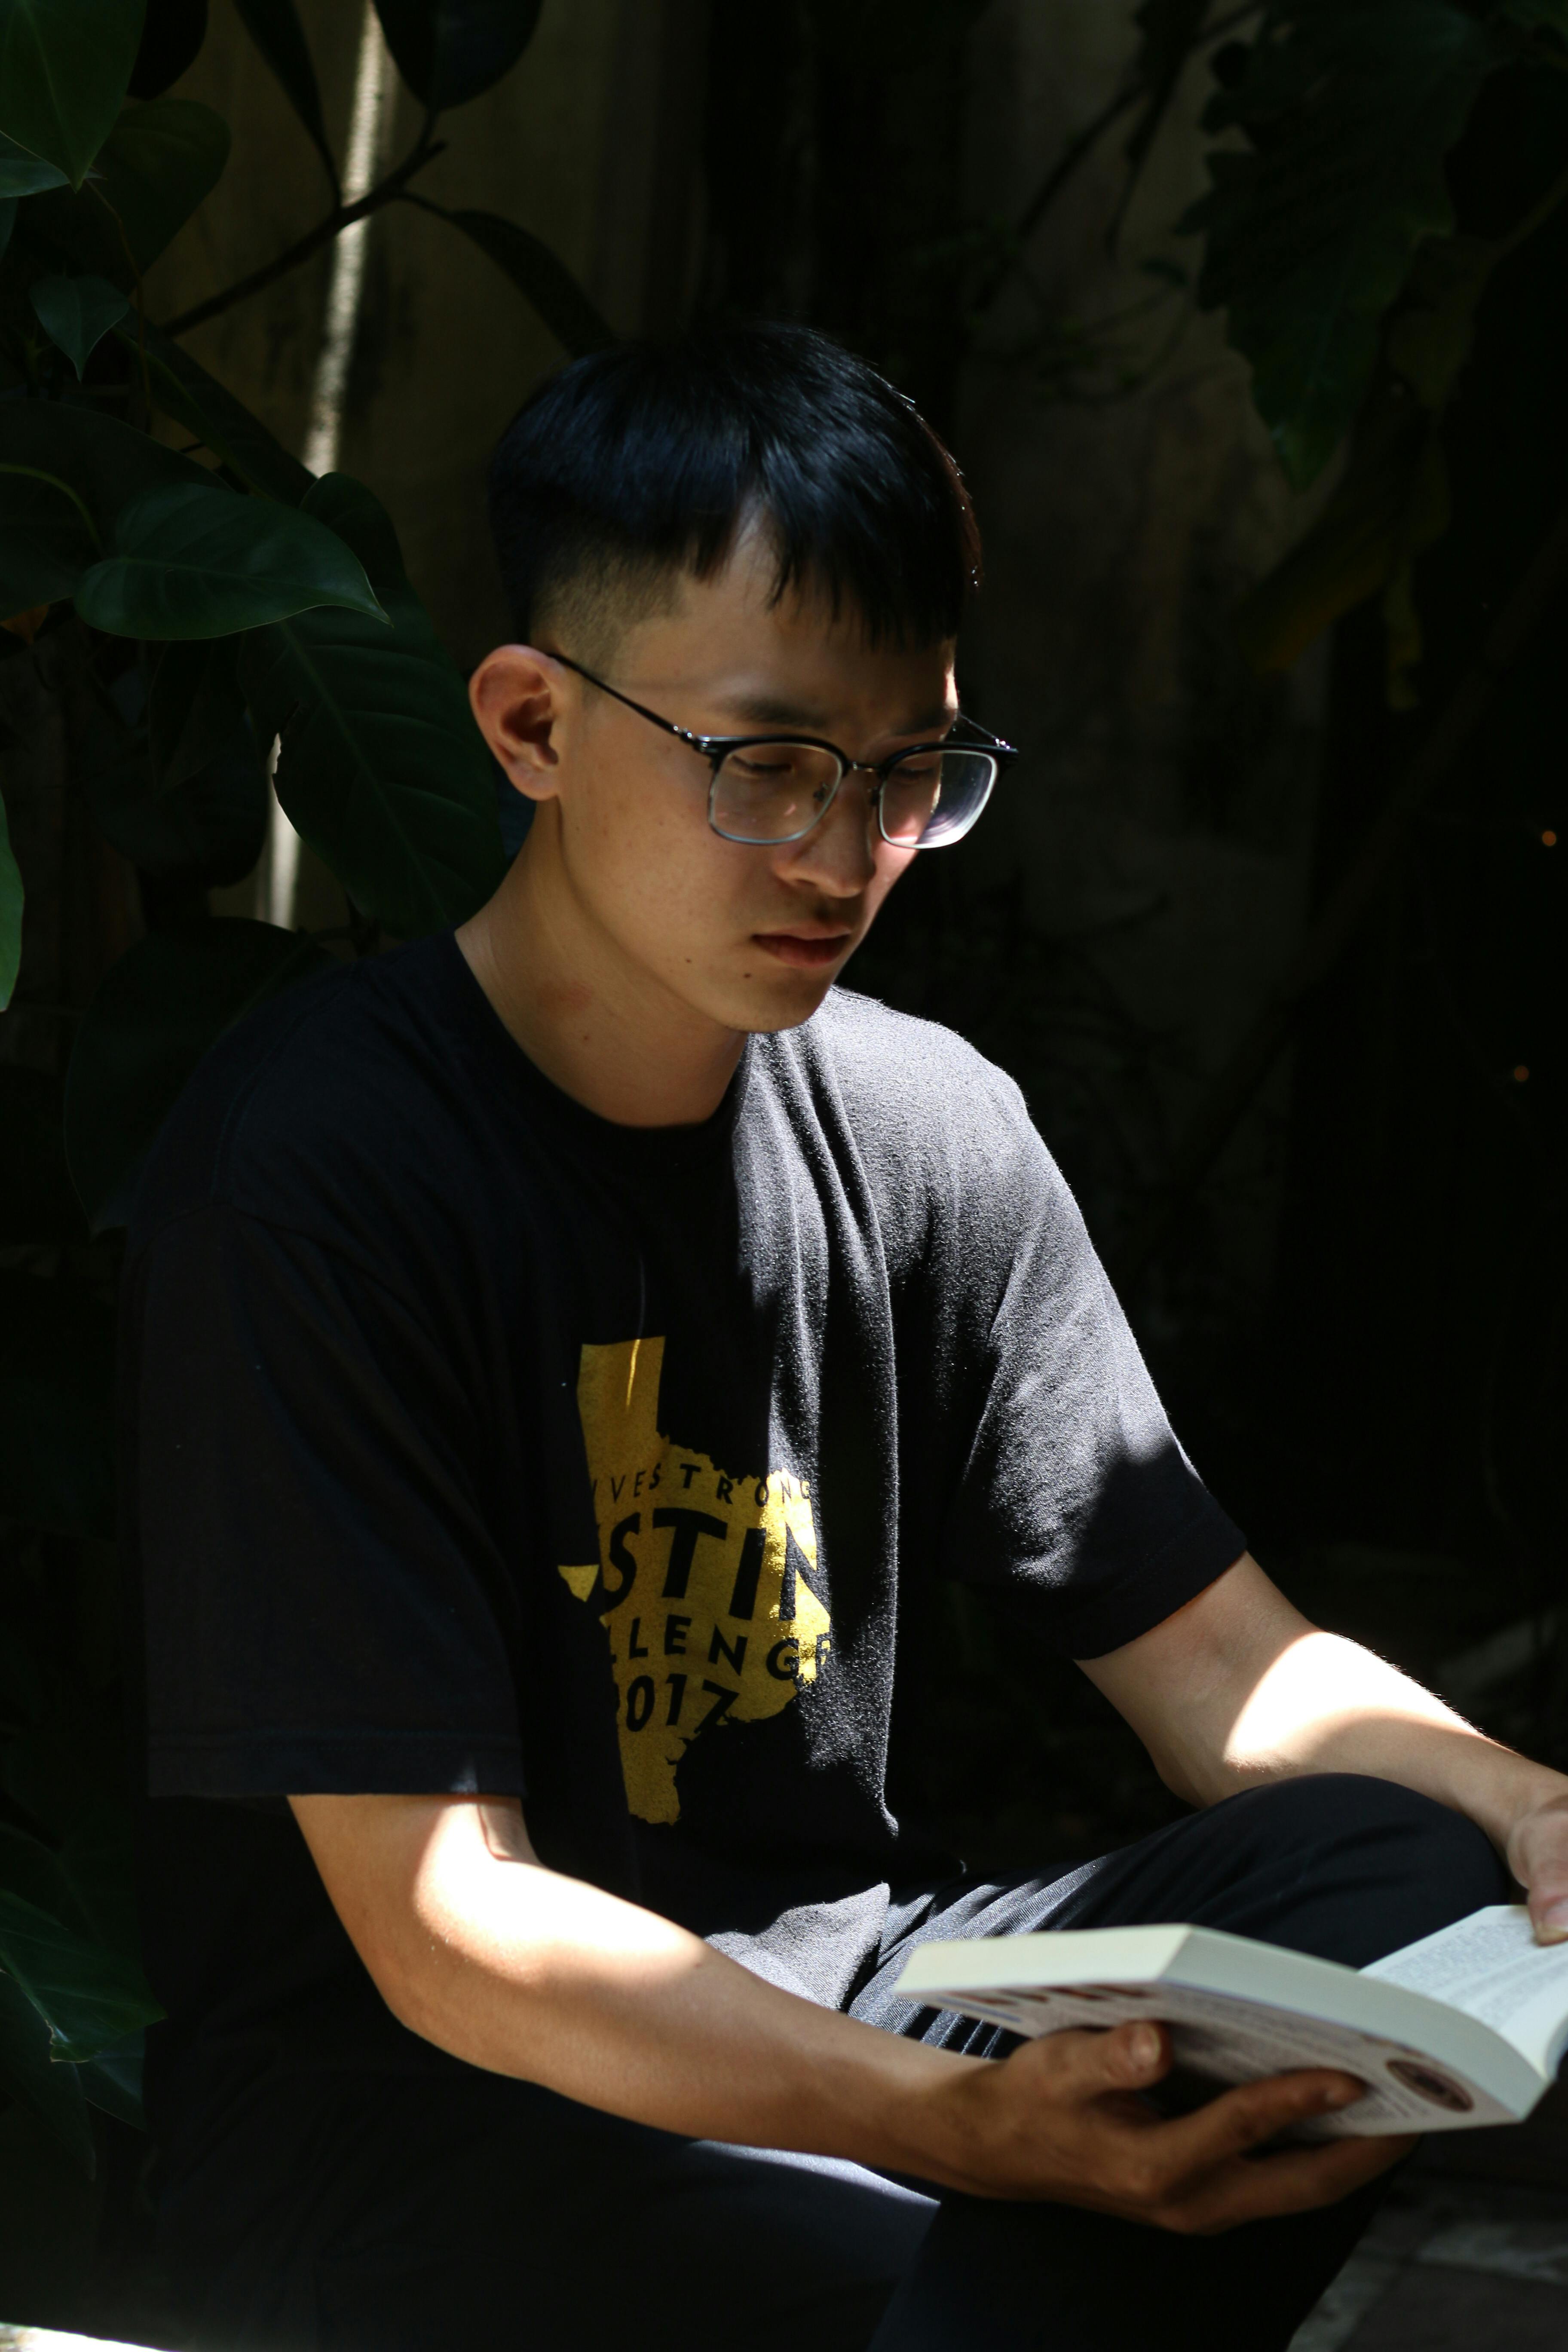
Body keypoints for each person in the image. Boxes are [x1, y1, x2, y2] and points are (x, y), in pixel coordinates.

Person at [123, 322, 1568, 2352]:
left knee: (1388, 1872)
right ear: (533, 724)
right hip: (420, 2116)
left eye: (910, 777)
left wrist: (1519, 1803)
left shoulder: (926, 1125)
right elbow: (448, 1929)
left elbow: (1224, 1668)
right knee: (954, 2276)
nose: (845, 856)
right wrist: (961, 2128)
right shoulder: (316, 1166)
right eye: (770, 766)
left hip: (854, 1988)